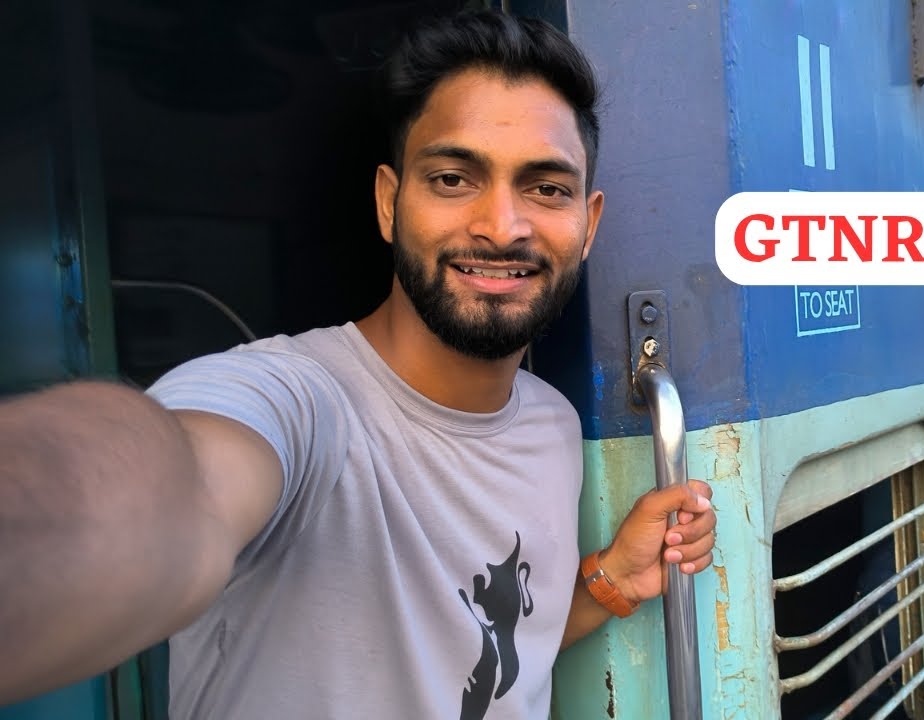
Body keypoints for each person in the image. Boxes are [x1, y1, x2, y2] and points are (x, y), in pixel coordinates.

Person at [0, 10, 717, 719]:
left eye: (546, 188)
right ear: (388, 203)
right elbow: (175, 484)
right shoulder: (300, 404)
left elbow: (494, 654)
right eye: (453, 179)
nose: (502, 227)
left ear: (587, 225)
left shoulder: (552, 425)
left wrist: (611, 579)